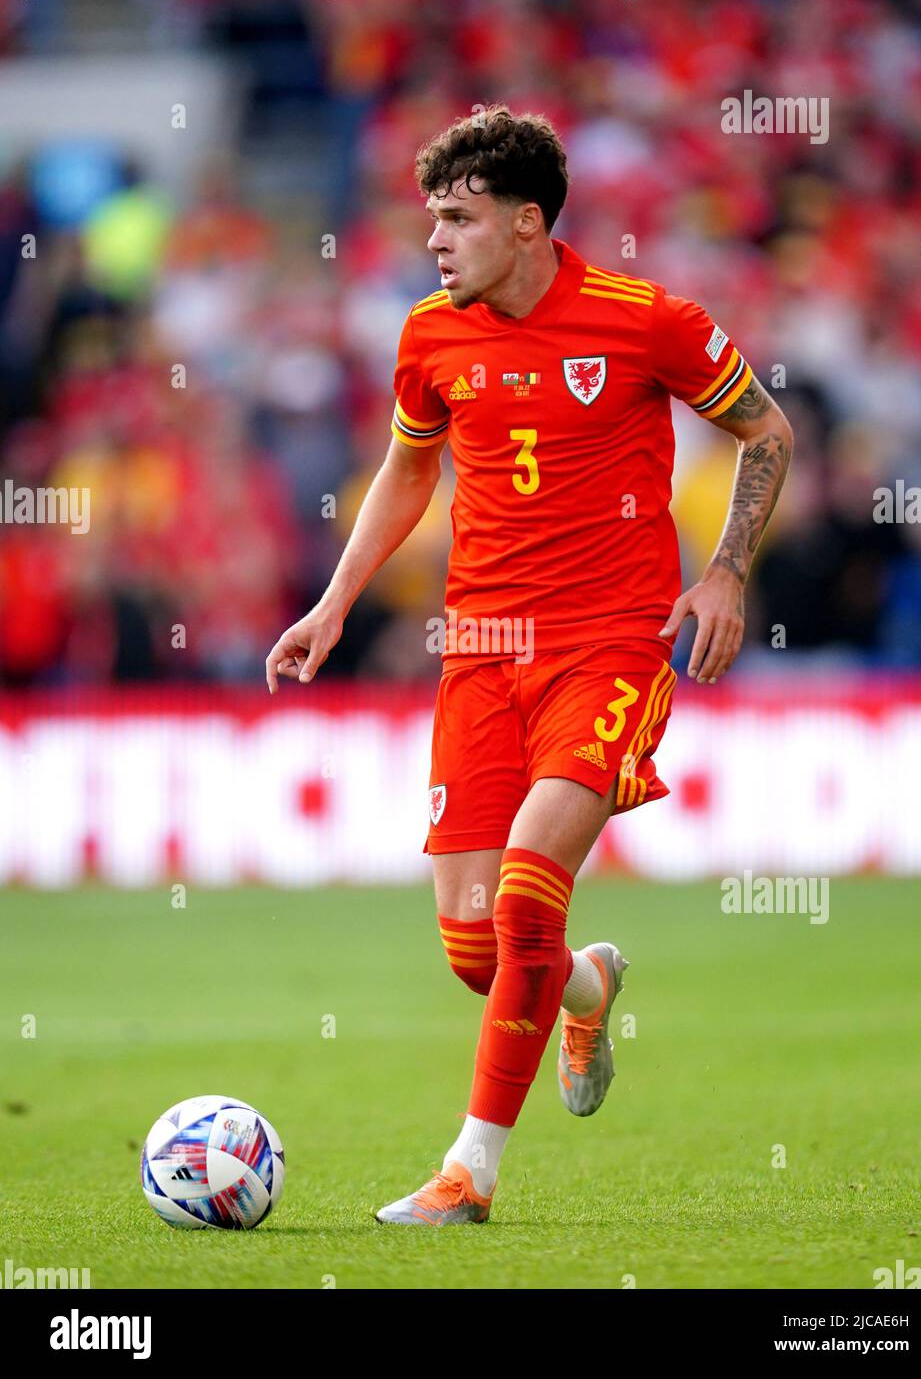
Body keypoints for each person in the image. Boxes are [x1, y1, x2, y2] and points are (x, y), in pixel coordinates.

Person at [265, 105, 793, 1225]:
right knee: (476, 950)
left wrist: (725, 573)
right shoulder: (428, 335)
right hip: (477, 652)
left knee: (520, 897)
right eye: (429, 221)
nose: (435, 242)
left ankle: (470, 1173)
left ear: (526, 221)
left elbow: (767, 432)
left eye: (455, 220)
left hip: (605, 646)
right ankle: (586, 985)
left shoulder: (644, 320)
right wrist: (331, 603)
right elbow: (408, 475)